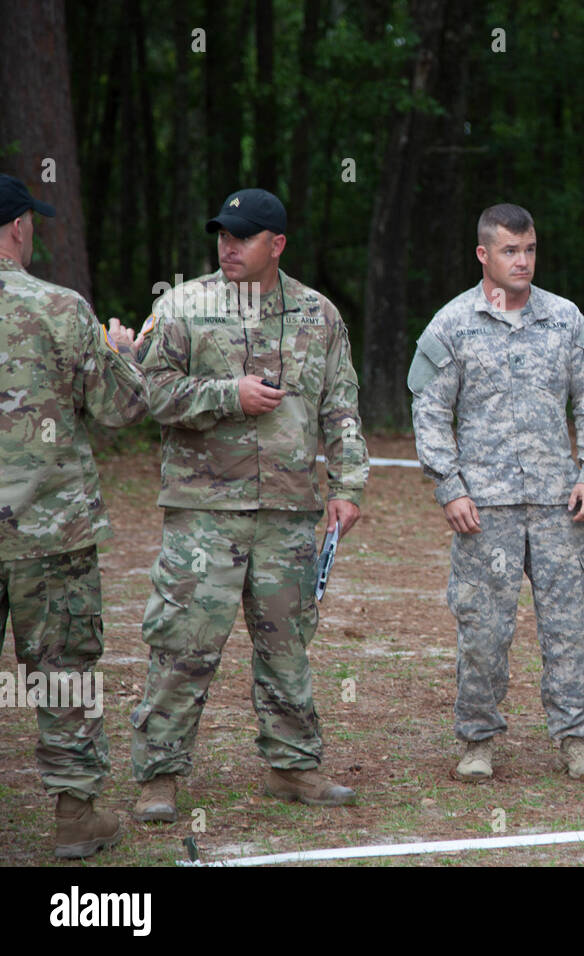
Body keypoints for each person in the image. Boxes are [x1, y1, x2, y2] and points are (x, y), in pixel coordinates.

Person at [131, 188, 368, 821]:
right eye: (223, 235)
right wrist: (226, 395)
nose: (228, 246)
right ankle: (159, 777)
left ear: (277, 244)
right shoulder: (182, 306)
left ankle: (293, 766)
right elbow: (150, 395)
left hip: (288, 511)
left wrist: (347, 486)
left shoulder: (319, 314)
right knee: (184, 642)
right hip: (204, 511)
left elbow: (341, 406)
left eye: (243, 237)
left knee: (286, 643)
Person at [408, 203, 584, 781]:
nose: (522, 261)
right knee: (483, 629)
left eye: (529, 250)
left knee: (568, 627)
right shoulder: (452, 324)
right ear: (483, 254)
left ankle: (576, 740)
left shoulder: (566, 319)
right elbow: (430, 411)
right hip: (484, 508)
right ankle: (477, 741)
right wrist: (450, 487)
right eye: (509, 251)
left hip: (557, 505)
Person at [0, 174, 150, 856]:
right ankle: (74, 817)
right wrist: (122, 353)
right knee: (64, 672)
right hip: (49, 532)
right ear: (18, 227)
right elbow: (122, 407)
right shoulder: (61, 308)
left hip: (47, 531)